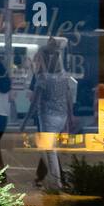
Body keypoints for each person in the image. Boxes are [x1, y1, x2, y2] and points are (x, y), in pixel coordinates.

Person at [25, 39, 75, 191]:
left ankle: (55, 180)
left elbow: (33, 98)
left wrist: (26, 120)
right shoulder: (61, 75)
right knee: (48, 147)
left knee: (48, 148)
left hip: (46, 116)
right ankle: (50, 178)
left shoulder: (41, 76)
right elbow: (68, 98)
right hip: (60, 116)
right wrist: (70, 118)